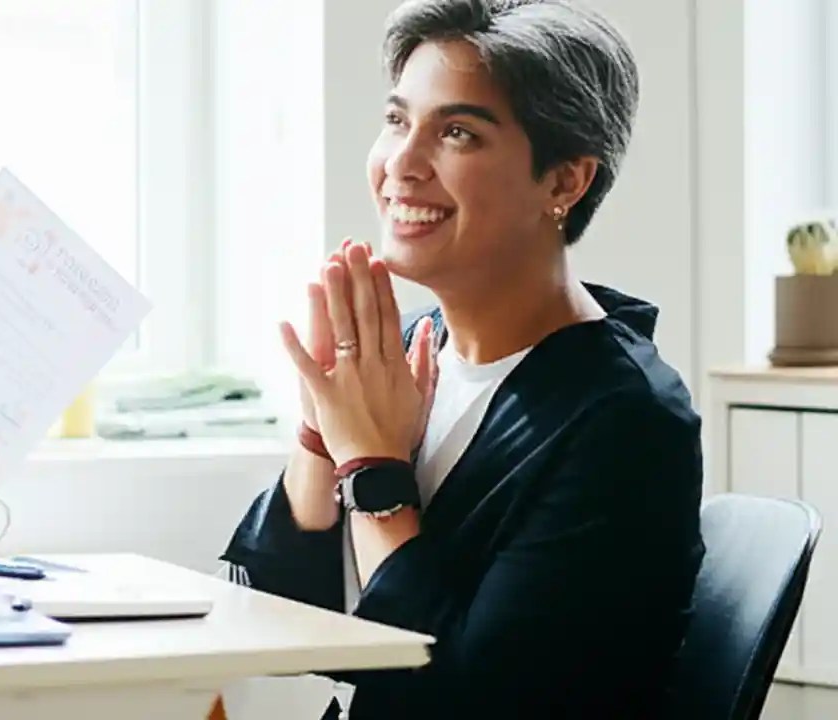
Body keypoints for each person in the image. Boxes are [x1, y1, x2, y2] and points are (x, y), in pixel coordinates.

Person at [219, 0, 705, 717]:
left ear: (565, 182)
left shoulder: (626, 418)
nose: (401, 164)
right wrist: (324, 434)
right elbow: (266, 621)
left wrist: (376, 473)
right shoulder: (409, 354)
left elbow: (465, 699)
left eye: (456, 133)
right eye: (395, 121)